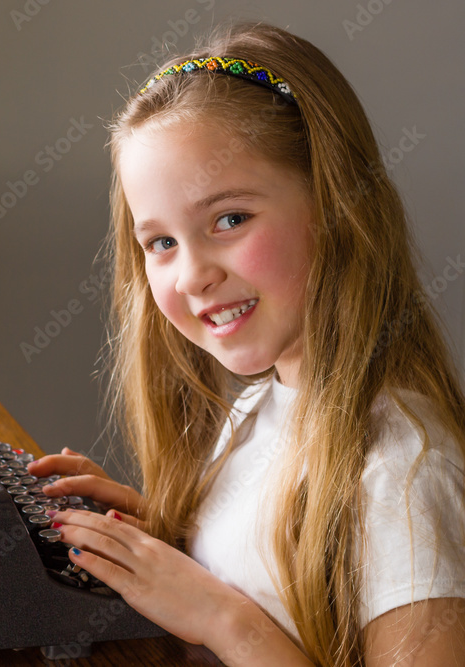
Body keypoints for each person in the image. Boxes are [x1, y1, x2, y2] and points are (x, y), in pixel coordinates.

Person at [27, 21, 465, 666]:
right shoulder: (259, 409)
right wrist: (160, 548)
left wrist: (220, 617)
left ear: (337, 205)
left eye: (229, 220)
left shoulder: (405, 478)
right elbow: (283, 590)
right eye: (161, 243)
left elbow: (245, 624)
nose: (193, 273)